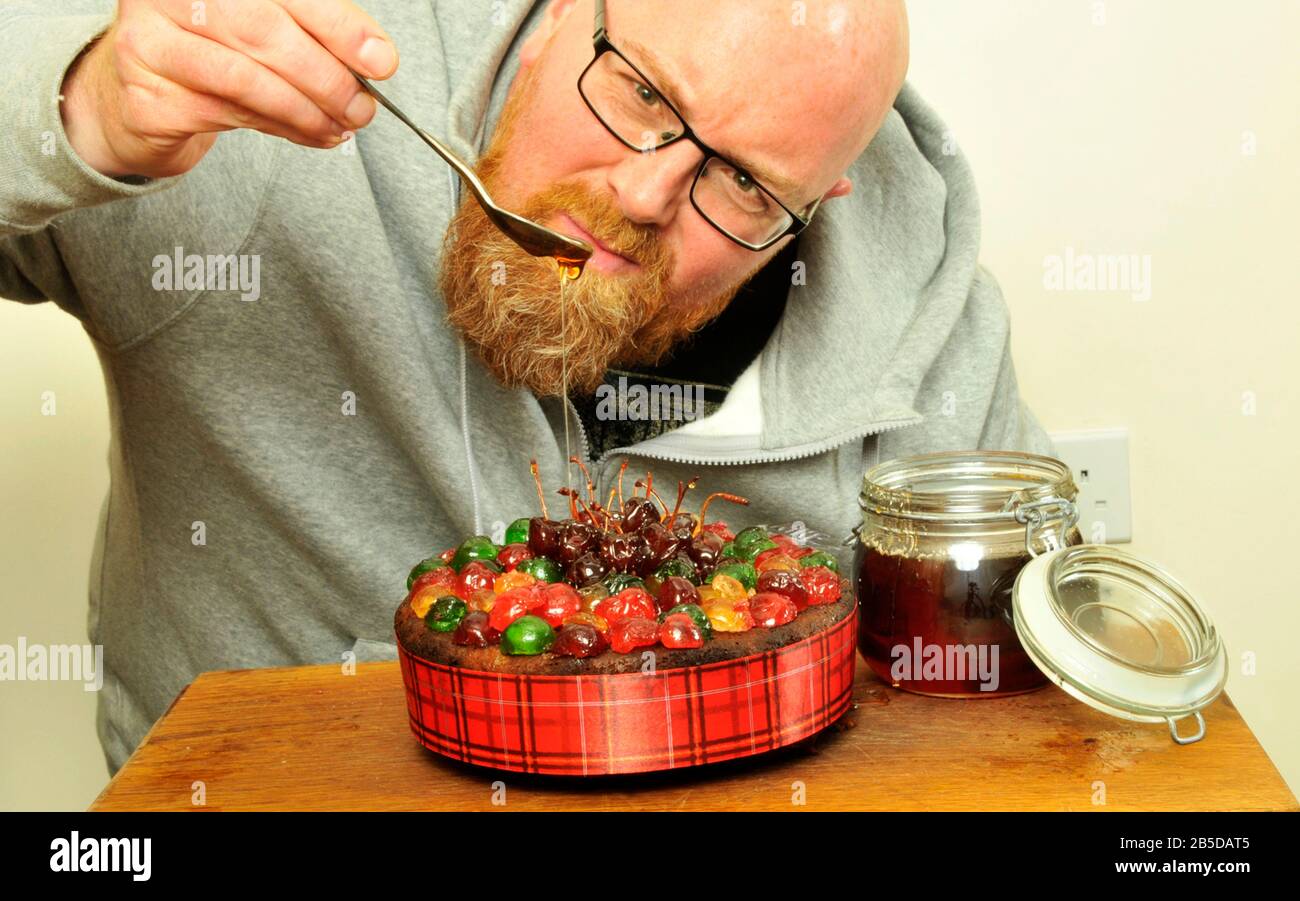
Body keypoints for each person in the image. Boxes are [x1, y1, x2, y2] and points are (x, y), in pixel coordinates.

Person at [0, 0, 1053, 774]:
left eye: (740, 182)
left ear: (825, 197)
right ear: (554, 19)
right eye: (642, 94)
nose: (641, 196)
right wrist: (77, 114)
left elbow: (1019, 707)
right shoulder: (268, 110)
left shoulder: (923, 309)